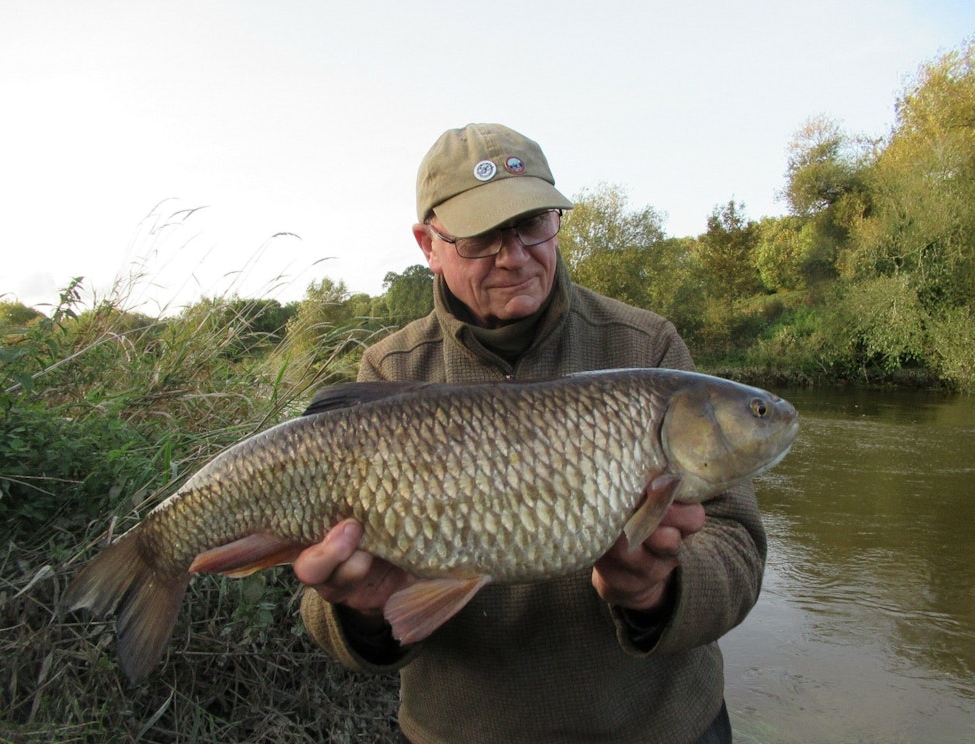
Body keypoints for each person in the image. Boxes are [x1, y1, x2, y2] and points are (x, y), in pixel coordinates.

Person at [293, 123, 765, 743]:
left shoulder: (645, 348)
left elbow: (738, 546)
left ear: (556, 221)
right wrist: (362, 614)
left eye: (531, 224)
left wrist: (658, 593)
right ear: (427, 244)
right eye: (482, 236)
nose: (513, 256)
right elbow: (322, 605)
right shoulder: (393, 372)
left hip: (659, 729)